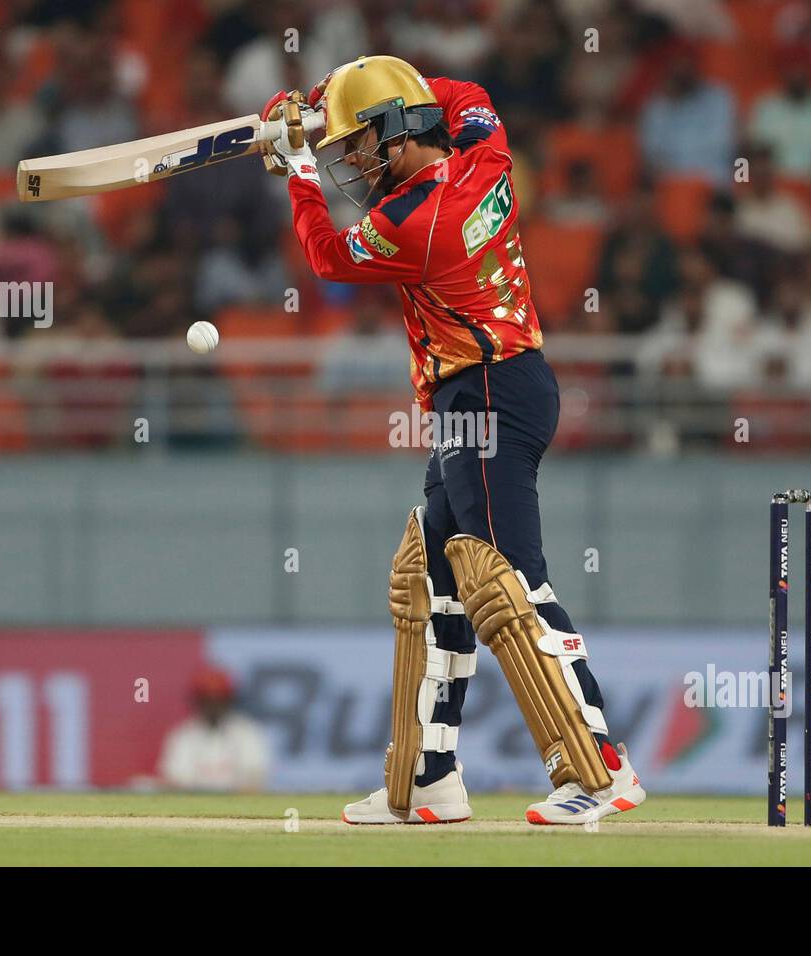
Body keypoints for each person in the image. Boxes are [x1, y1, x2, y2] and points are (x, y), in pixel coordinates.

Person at [259, 56, 645, 826]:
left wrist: (298, 165)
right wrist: (334, 99)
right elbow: (470, 93)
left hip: (490, 392)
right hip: (492, 388)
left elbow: (329, 257)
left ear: (403, 131)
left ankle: (602, 770)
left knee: (508, 581)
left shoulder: (415, 222)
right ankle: (429, 776)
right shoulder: (485, 146)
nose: (353, 161)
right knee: (430, 582)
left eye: (361, 142)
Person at [158, 669, 270, 792]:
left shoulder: (247, 732)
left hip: (239, 805)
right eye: (207, 701)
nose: (213, 707)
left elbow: (254, 778)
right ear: (198, 702)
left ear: (229, 701)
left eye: (219, 700)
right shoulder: (183, 735)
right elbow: (175, 781)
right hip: (193, 806)